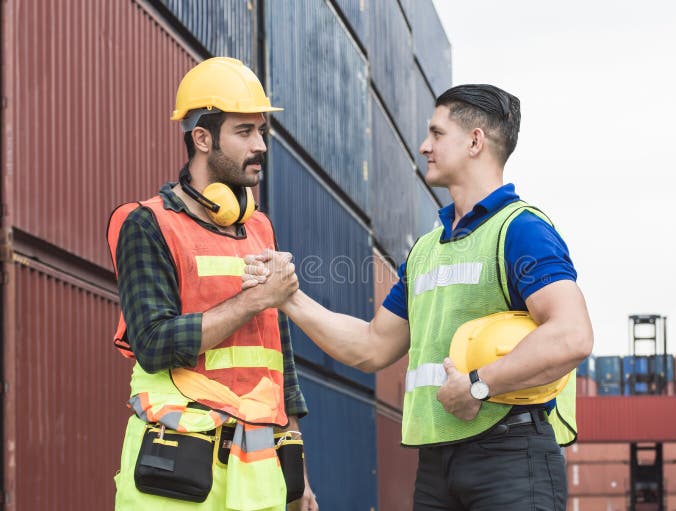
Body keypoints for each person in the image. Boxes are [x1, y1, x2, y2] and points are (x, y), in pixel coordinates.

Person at [243, 84, 593, 511]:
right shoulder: (427, 250)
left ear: (475, 141)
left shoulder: (520, 230)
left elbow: (572, 335)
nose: (424, 146)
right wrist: (288, 298)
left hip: (511, 457)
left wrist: (480, 386)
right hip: (437, 464)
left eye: (437, 133)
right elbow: (371, 347)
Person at [108, 57, 318, 511]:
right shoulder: (147, 224)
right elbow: (153, 343)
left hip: (257, 472)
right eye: (244, 132)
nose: (260, 145)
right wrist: (253, 300)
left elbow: (279, 360)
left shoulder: (261, 228)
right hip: (175, 471)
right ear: (202, 138)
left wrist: (299, 476)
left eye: (261, 131)